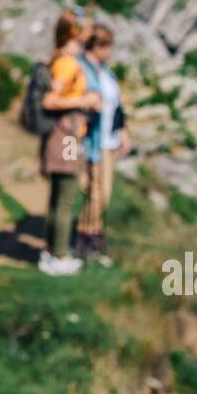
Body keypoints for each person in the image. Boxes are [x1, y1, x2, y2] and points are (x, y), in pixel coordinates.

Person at [38, 10, 102, 276]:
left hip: (60, 135)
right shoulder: (67, 63)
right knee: (65, 198)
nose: (91, 29)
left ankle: (51, 252)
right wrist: (84, 101)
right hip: (66, 136)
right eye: (86, 26)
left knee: (57, 198)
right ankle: (60, 256)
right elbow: (50, 100)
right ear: (75, 32)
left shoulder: (62, 59)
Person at [76, 24, 130, 265]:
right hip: (91, 139)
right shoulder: (83, 69)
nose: (110, 51)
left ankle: (92, 235)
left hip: (108, 139)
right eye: (107, 46)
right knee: (95, 191)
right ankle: (85, 236)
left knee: (102, 193)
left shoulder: (106, 72)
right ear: (97, 46)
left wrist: (123, 130)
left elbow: (116, 105)